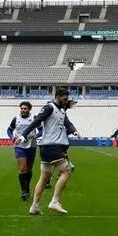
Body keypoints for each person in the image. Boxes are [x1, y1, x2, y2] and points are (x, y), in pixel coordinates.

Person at [15, 87, 78, 215]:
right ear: (58, 96)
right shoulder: (49, 107)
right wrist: (24, 135)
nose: (66, 101)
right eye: (65, 99)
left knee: (44, 178)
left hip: (49, 147)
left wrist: (74, 130)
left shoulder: (61, 111)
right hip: (52, 146)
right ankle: (55, 201)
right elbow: (36, 121)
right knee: (66, 170)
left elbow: (68, 123)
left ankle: (34, 206)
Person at [9, 101, 40, 201]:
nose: (23, 110)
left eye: (25, 108)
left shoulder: (34, 118)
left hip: (32, 145)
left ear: (29, 109)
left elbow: (42, 130)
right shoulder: (16, 118)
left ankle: (27, 187)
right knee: (23, 168)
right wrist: (12, 137)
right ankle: (23, 191)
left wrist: (36, 135)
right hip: (19, 146)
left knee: (29, 169)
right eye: (21, 108)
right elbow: (9, 130)